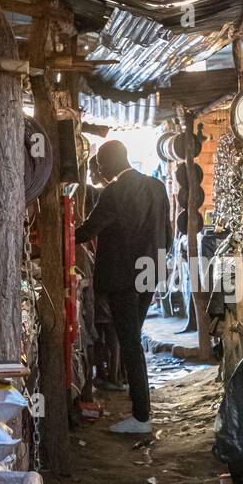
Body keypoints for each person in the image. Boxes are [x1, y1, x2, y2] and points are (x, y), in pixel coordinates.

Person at [74, 138, 171, 434]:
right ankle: (138, 406)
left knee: (130, 343)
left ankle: (141, 417)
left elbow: (87, 231)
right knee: (132, 338)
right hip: (149, 274)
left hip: (123, 278)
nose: (100, 170)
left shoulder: (114, 193)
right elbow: (167, 234)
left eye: (101, 163)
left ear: (113, 162)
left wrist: (63, 230)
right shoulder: (157, 187)